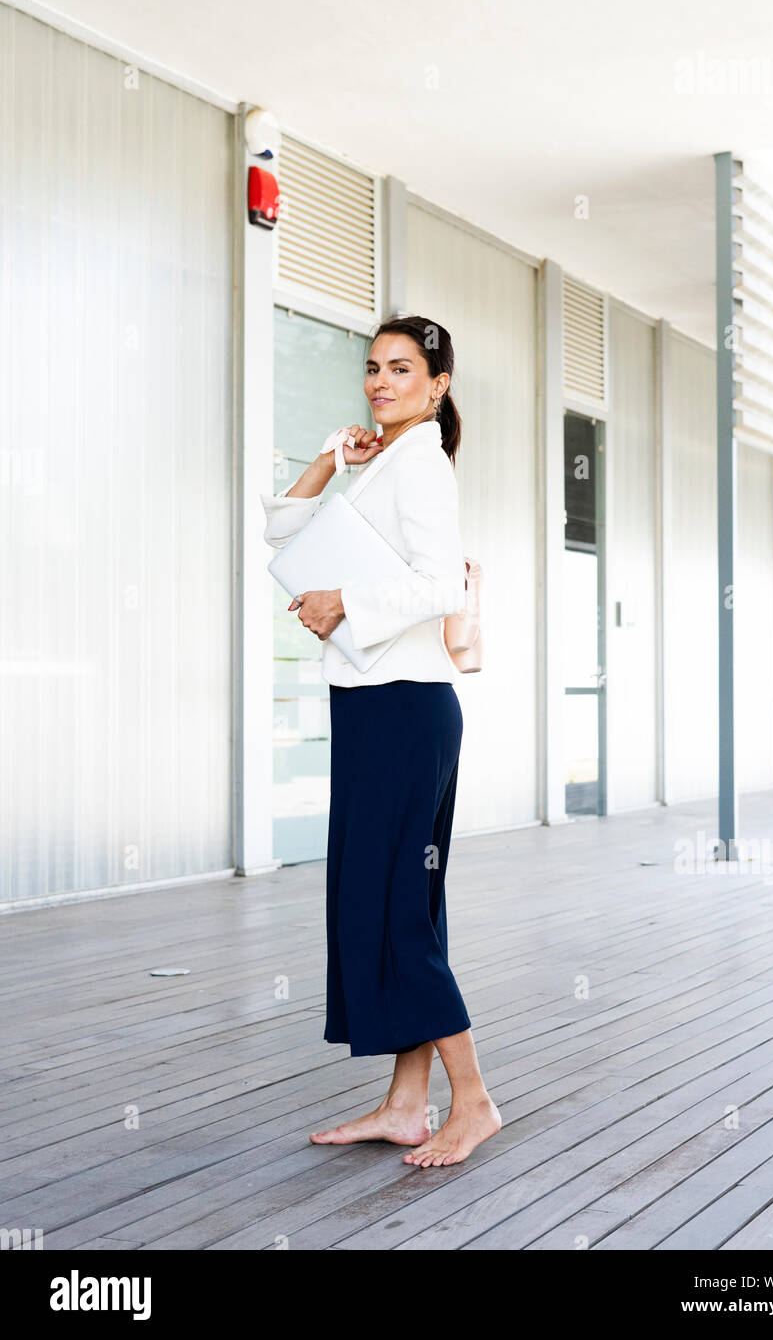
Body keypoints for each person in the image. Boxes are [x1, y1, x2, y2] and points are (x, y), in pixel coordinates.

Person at [260, 315, 500, 1168]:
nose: (380, 381)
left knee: (397, 906)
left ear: (437, 384)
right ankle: (407, 1103)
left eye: (401, 368)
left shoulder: (424, 463)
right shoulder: (385, 462)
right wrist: (331, 459)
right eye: (371, 368)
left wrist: (344, 606)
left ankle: (471, 1103)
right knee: (403, 902)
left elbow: (437, 584)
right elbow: (281, 534)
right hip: (375, 708)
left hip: (405, 708)